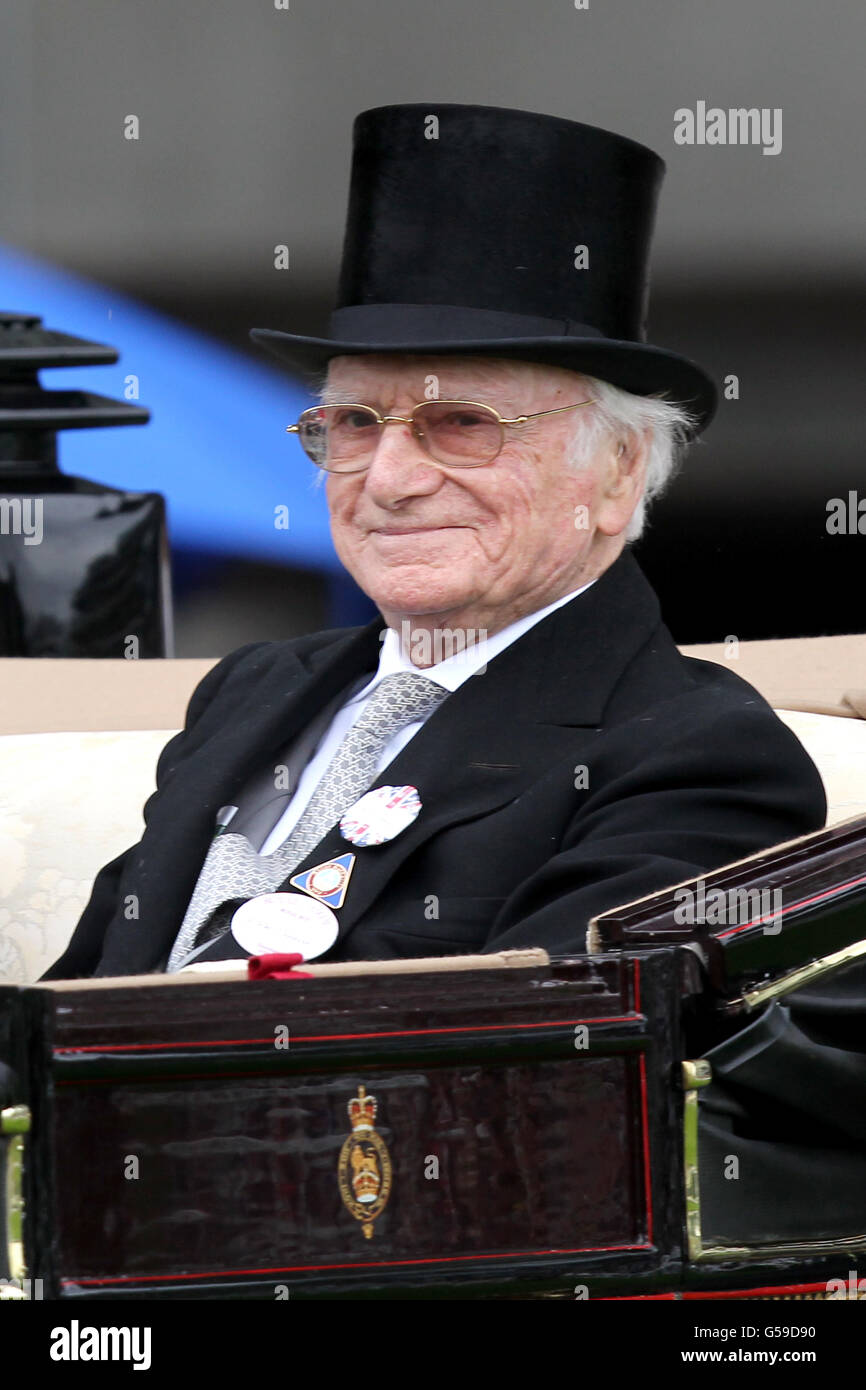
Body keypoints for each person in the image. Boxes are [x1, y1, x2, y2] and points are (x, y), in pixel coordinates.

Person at [44, 103, 825, 979]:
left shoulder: (697, 754)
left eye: (462, 423)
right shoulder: (253, 690)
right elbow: (64, 1015)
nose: (388, 478)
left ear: (615, 471)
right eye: (353, 422)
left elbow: (536, 1070)